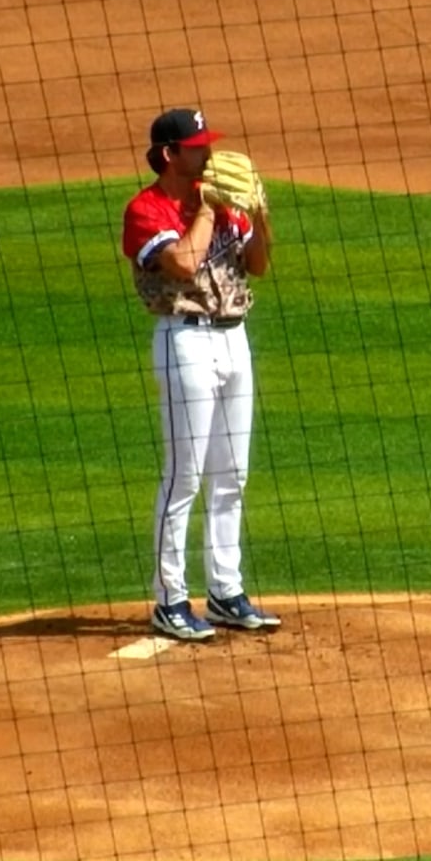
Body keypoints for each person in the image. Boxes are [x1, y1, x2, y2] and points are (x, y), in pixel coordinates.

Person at [120, 107, 279, 639]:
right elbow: (183, 266)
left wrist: (259, 213)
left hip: (235, 338)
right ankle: (170, 599)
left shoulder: (223, 202)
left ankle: (226, 591)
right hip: (184, 341)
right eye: (196, 146)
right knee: (184, 476)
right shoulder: (147, 209)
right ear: (170, 155)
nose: (208, 154)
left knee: (232, 474)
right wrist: (208, 210)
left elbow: (257, 264)